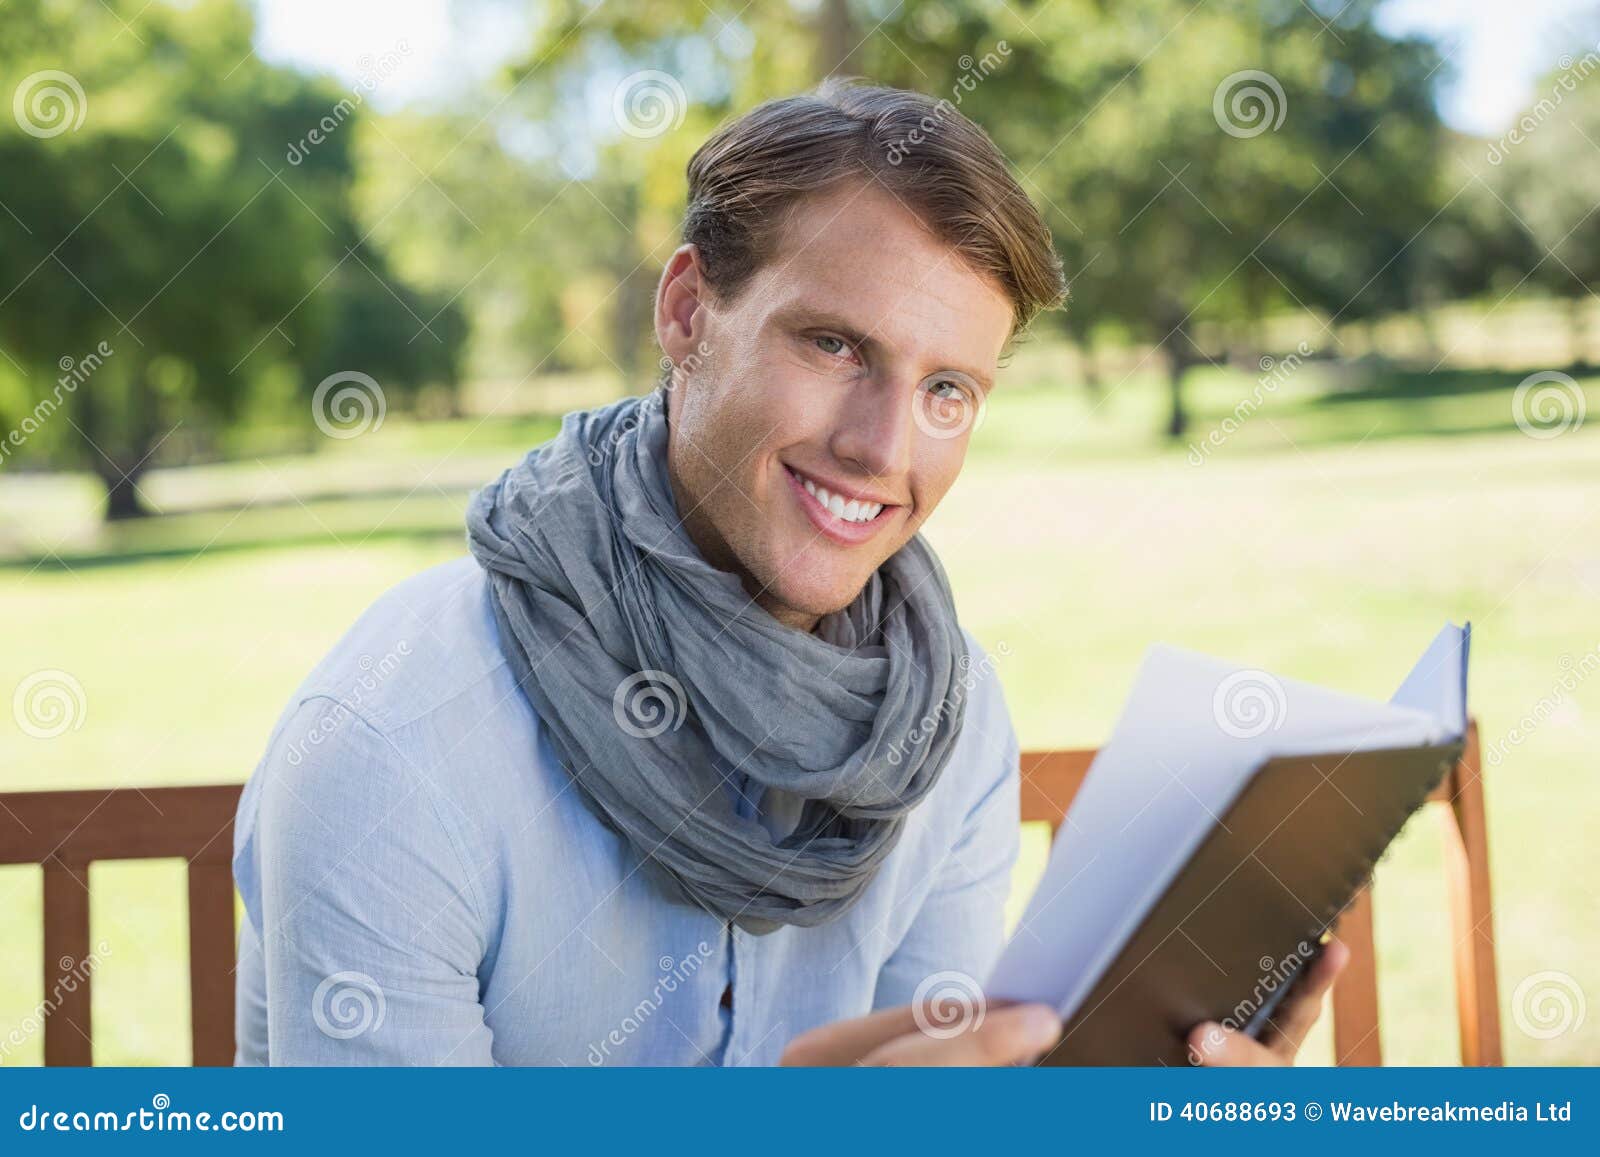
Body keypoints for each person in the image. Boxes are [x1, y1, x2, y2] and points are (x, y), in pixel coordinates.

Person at [231, 77, 1343, 1066]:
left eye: (946, 389)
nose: (882, 449)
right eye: (835, 345)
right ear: (685, 311)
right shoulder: (396, 735)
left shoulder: (946, 723)